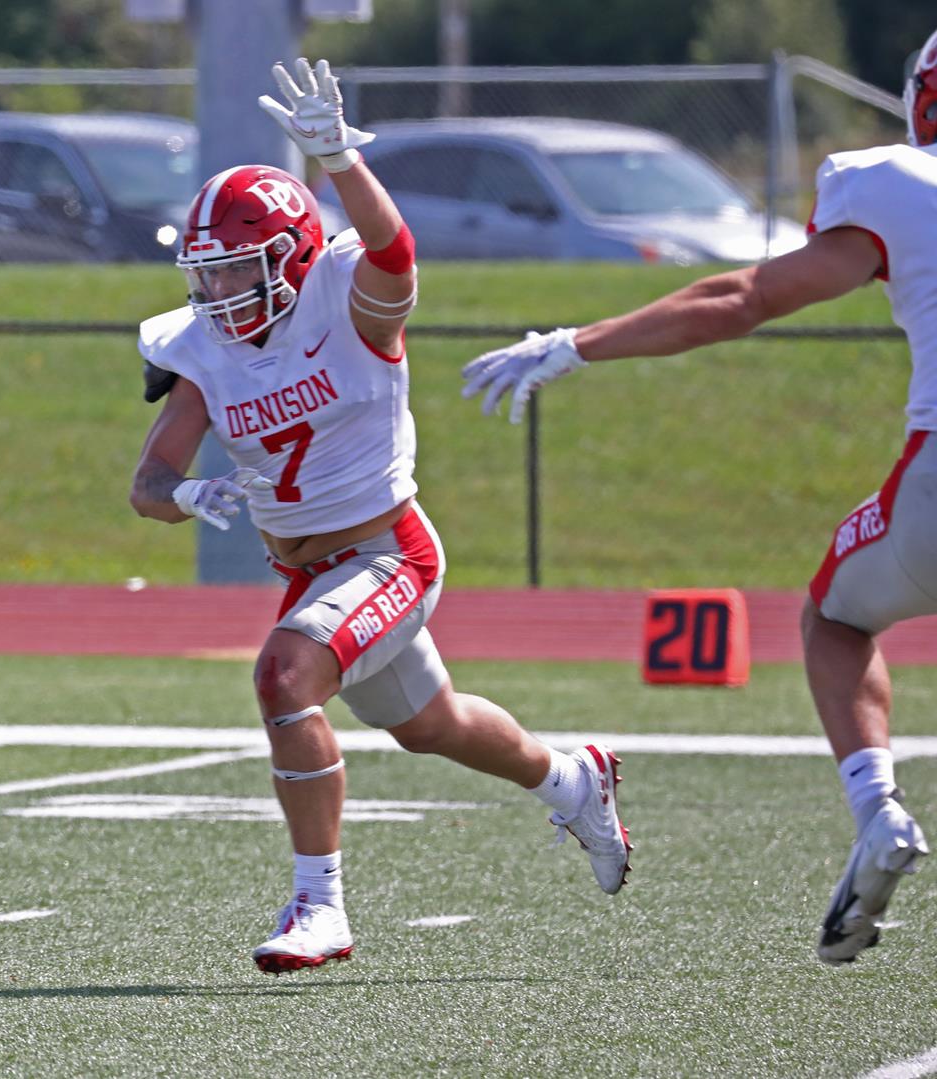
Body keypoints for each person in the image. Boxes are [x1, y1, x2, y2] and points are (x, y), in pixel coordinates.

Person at [129, 59, 632, 974]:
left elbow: (395, 254)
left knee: (286, 679)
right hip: (311, 568)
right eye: (208, 272)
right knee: (430, 724)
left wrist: (338, 162)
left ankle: (319, 905)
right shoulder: (202, 345)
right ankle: (572, 780)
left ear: (287, 255)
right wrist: (187, 496)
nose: (217, 292)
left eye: (237, 267)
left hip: (387, 549)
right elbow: (150, 480)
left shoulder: (346, 299)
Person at [462, 29, 937, 967]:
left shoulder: (898, 186)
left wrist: (571, 343)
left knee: (835, 620)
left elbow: (744, 297)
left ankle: (877, 809)